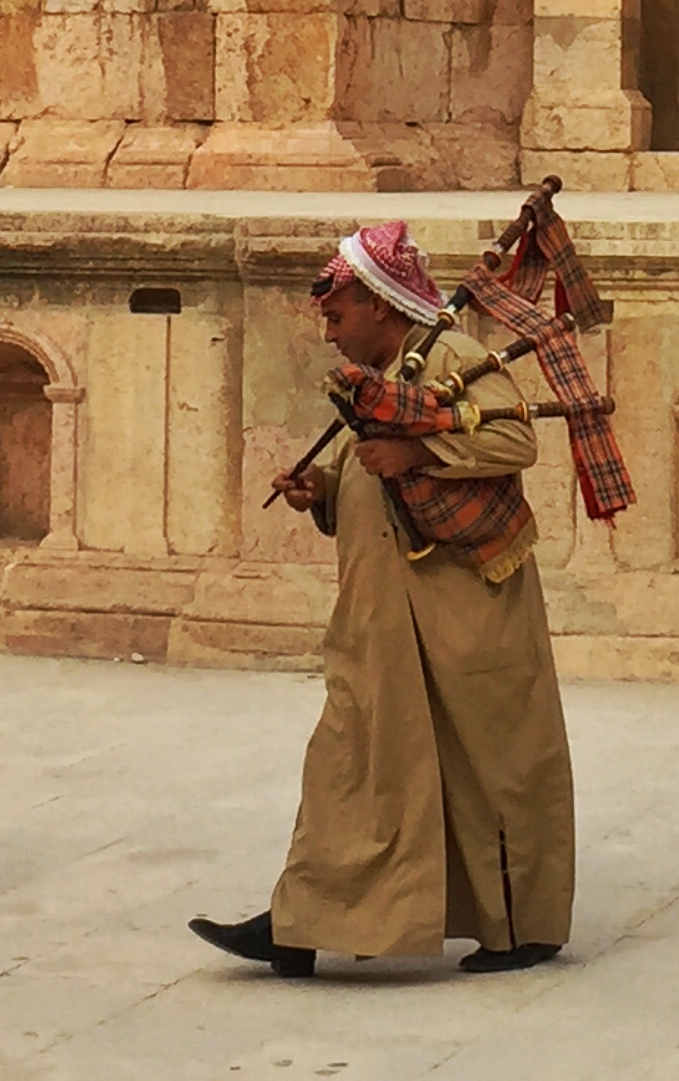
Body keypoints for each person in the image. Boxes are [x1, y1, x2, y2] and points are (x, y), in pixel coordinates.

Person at [190, 222, 576, 977]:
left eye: (337, 317)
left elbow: (513, 442)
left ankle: (525, 926)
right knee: (356, 756)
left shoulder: (452, 359)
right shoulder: (384, 378)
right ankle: (303, 922)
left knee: (490, 764)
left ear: (378, 303)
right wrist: (321, 489)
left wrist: (418, 449)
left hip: (464, 611)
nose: (330, 334)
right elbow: (362, 463)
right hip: (382, 614)